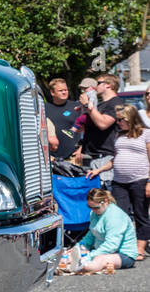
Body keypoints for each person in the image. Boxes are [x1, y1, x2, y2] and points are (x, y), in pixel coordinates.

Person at [85, 103, 150, 260]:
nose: (118, 122)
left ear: (131, 118)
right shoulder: (119, 135)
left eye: (121, 119)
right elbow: (116, 158)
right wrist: (99, 170)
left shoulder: (145, 134)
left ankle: (140, 249)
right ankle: (121, 245)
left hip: (139, 179)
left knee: (141, 214)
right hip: (119, 181)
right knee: (118, 214)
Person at [62, 188, 137, 274]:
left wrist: (88, 256)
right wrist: (77, 248)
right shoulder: (94, 213)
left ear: (105, 201)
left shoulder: (115, 216)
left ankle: (82, 266)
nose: (93, 210)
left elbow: (111, 245)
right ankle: (72, 264)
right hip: (102, 250)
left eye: (96, 207)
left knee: (99, 259)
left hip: (124, 255)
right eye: (90, 207)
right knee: (72, 254)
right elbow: (91, 235)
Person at [78, 74, 121, 181]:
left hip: (106, 157)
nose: (94, 86)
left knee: (105, 194)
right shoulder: (100, 105)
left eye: (98, 83)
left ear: (108, 85)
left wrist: (88, 106)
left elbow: (103, 124)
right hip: (91, 157)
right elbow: (82, 128)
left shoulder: (116, 103)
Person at [44, 78, 82, 161]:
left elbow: (88, 129)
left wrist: (82, 148)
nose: (64, 92)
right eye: (60, 90)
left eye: (66, 90)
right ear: (52, 92)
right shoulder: (44, 108)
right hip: (51, 159)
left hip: (73, 157)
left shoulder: (76, 107)